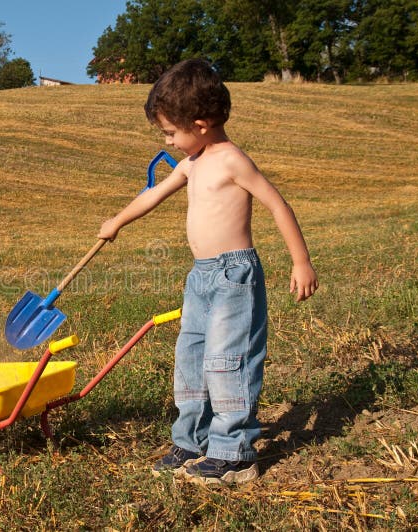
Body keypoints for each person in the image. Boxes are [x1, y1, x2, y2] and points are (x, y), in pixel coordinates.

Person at [98, 59, 318, 486]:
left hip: (234, 277)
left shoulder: (231, 160)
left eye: (169, 132)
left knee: (226, 363)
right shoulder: (190, 164)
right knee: (191, 359)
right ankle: (192, 441)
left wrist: (301, 261)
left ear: (199, 124)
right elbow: (152, 196)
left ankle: (233, 454)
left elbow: (277, 204)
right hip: (200, 277)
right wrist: (117, 222)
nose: (167, 140)